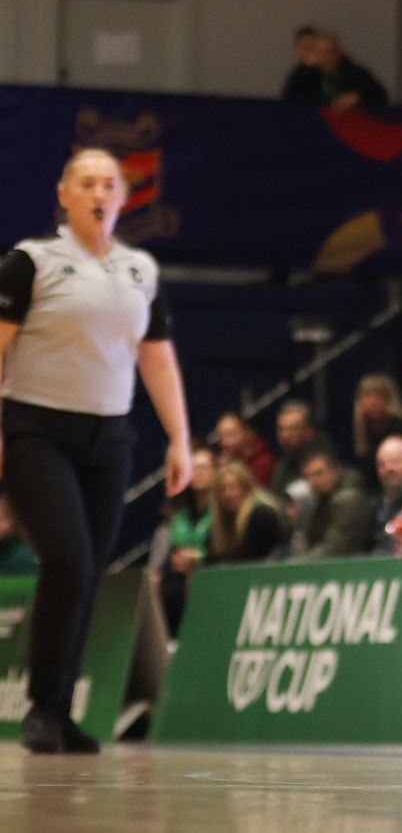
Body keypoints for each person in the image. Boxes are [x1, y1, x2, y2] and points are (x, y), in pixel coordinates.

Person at [0, 148, 194, 754]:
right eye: (86, 182)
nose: (98, 192)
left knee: (86, 572)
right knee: (68, 558)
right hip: (35, 430)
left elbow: (157, 358)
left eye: (109, 183)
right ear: (64, 193)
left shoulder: (141, 269)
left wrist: (180, 438)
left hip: (108, 439)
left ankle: (59, 714)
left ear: (123, 196)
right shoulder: (32, 262)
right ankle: (42, 707)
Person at [158, 446, 214, 634]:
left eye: (204, 468)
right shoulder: (180, 513)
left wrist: (198, 558)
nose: (198, 473)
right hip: (178, 575)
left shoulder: (221, 511)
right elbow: (173, 550)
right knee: (158, 586)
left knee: (179, 591)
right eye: (194, 468)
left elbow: (223, 548)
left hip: (209, 570)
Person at [281, 26, 389, 111]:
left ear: (339, 52)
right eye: (321, 52)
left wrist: (358, 98)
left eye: (330, 52)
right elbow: (289, 101)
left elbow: (380, 96)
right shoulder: (303, 75)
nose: (326, 57)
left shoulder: (356, 73)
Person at [295, 449, 374, 559]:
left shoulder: (349, 500)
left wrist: (291, 565)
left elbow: (334, 549)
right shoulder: (318, 501)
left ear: (334, 471)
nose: (313, 482)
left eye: (318, 473)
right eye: (308, 477)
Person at [206, 460, 287, 563]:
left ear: (247, 487)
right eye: (222, 489)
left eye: (233, 487)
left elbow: (250, 559)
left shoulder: (261, 514)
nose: (228, 494)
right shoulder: (223, 519)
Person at [351, 374, 402, 483]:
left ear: (389, 398)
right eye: (368, 395)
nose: (373, 401)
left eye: (379, 395)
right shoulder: (359, 429)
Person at [270, 400, 333, 494]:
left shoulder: (322, 459)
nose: (285, 435)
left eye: (292, 429)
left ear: (308, 430)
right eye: (281, 429)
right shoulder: (283, 464)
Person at [211, 411, 276, 487]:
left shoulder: (264, 463)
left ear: (247, 433)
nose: (224, 442)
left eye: (230, 435)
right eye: (221, 436)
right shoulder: (227, 462)